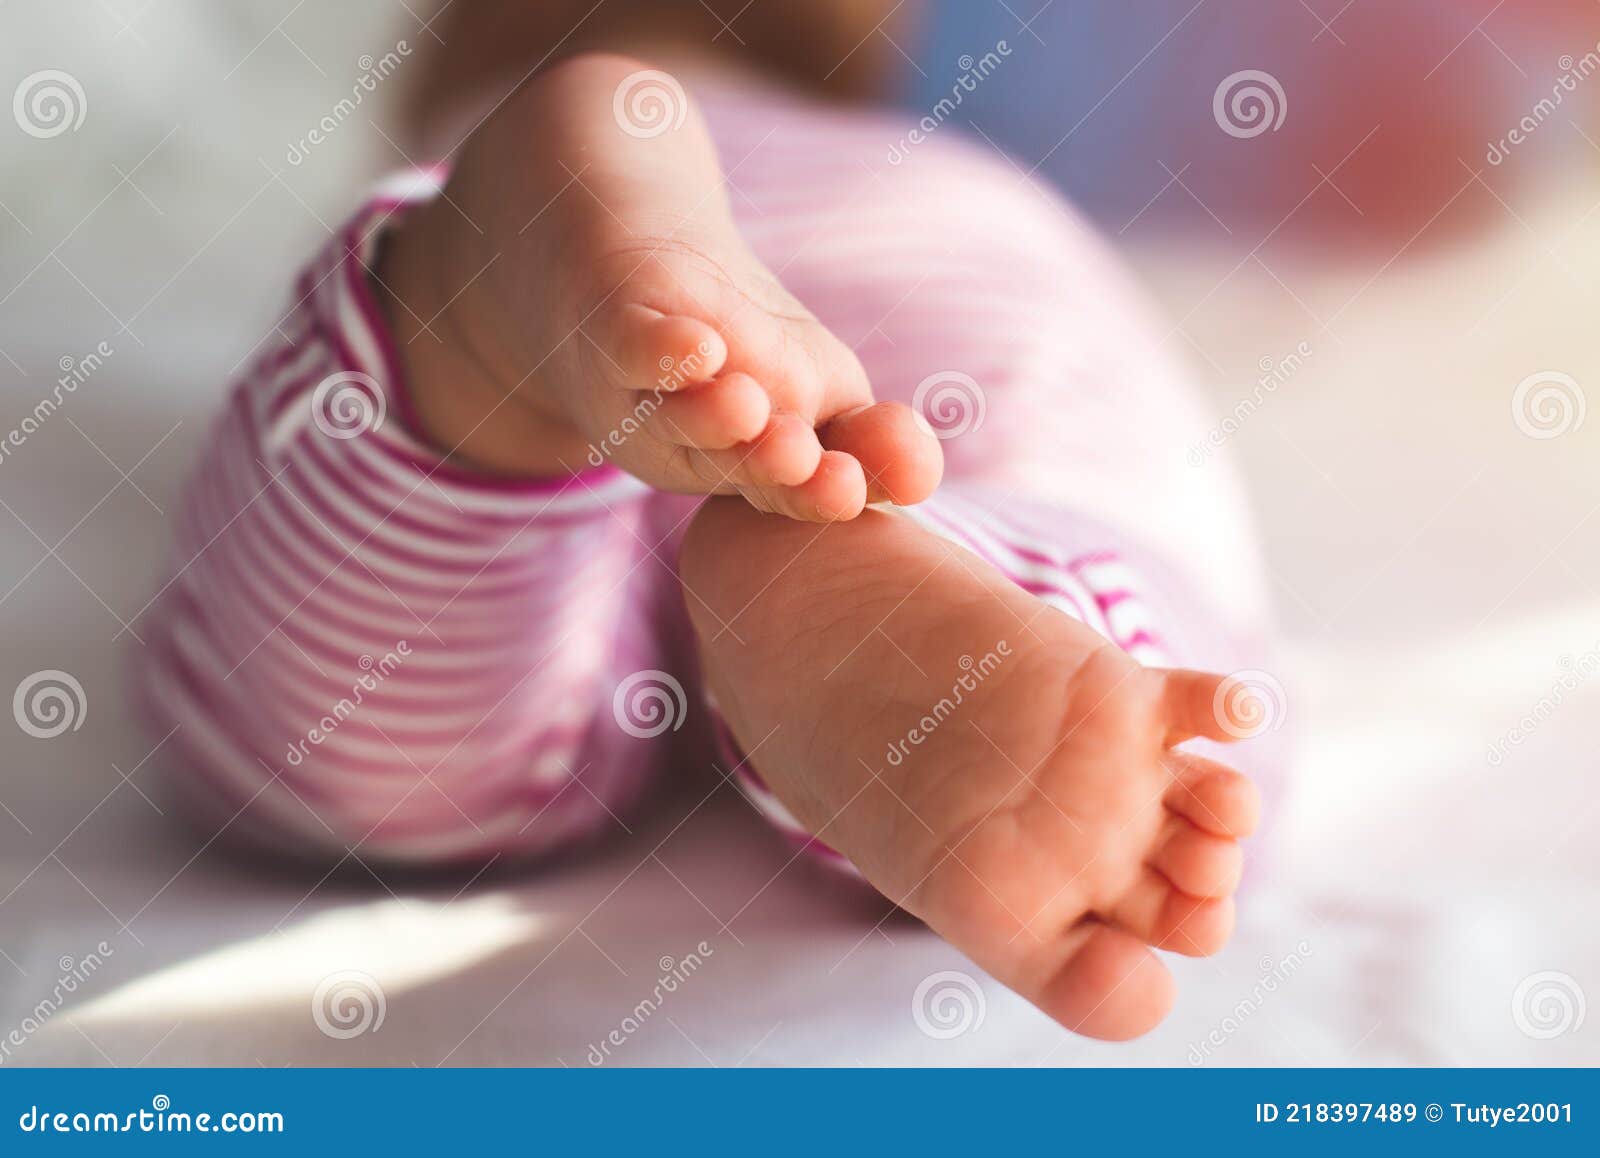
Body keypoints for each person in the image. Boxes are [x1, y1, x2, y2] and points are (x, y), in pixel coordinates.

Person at [137, 2, 1280, 1041]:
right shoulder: (948, 171)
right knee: (1115, 564)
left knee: (371, 757)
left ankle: (471, 331)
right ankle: (981, 572)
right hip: (939, 247)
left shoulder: (448, 135)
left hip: (531, 225)